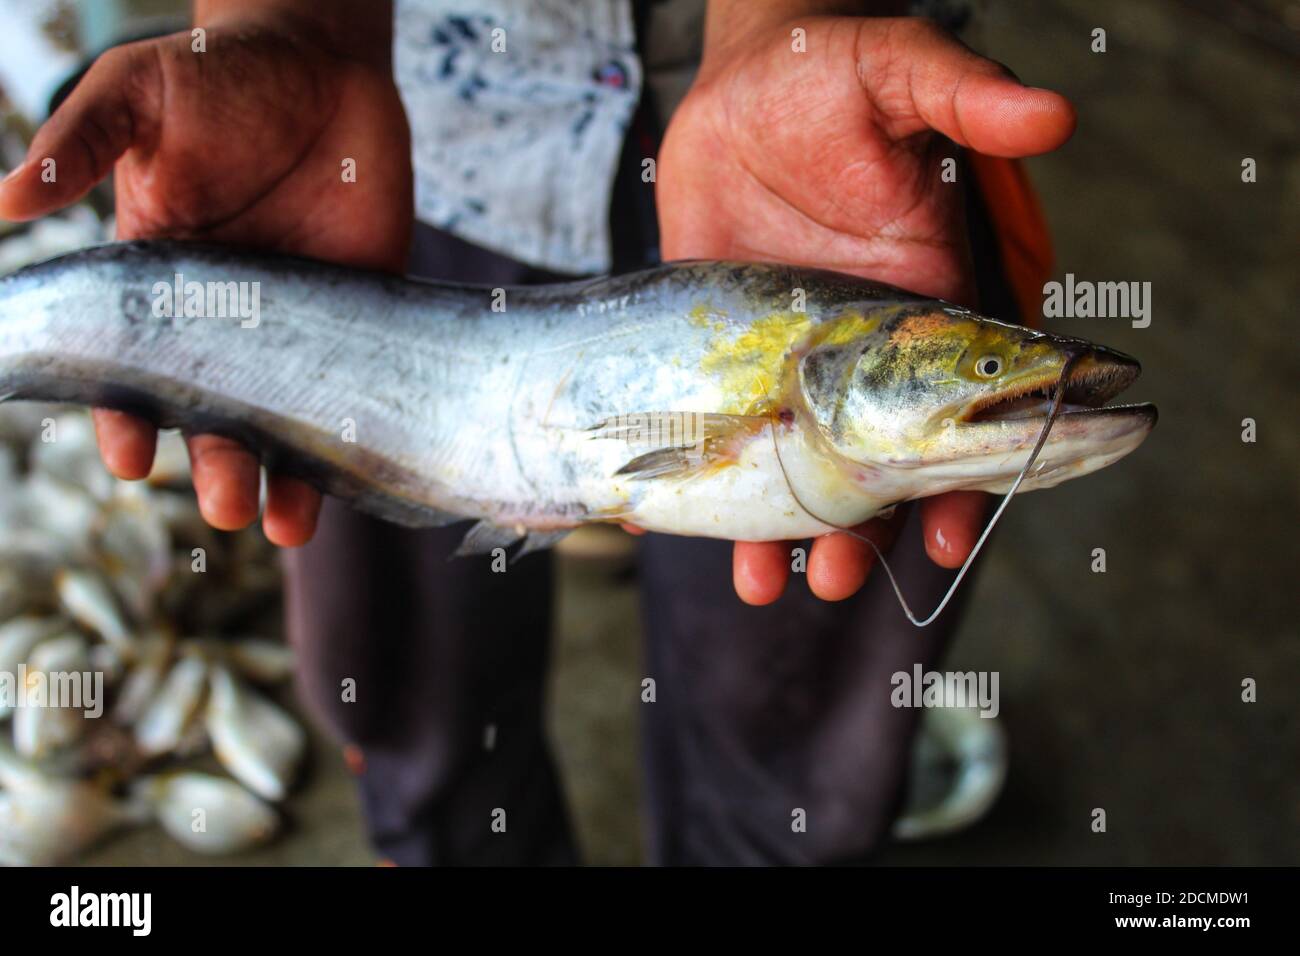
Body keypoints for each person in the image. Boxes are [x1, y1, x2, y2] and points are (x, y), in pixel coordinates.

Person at [0, 0, 1074, 864]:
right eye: (982, 370)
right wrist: (293, 21)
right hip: (394, 165)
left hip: (823, 179)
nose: (1002, 382)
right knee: (406, 692)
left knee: (794, 736)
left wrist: (784, 18)